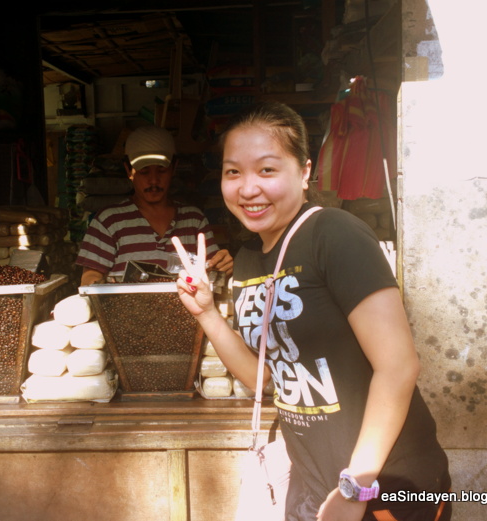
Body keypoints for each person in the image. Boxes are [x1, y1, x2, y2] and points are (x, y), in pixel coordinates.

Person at [172, 102, 450, 521]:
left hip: (387, 486)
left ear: (303, 172)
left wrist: (355, 487)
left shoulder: (334, 234)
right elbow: (265, 377)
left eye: (266, 170)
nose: (248, 188)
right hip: (313, 485)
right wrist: (207, 314)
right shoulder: (248, 260)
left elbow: (399, 367)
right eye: (233, 172)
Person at [76, 125, 233, 285]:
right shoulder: (108, 221)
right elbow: (90, 279)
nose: (153, 180)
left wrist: (222, 265)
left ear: (174, 167)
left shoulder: (194, 219)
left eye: (161, 170)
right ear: (128, 170)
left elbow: (213, 272)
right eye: (144, 171)